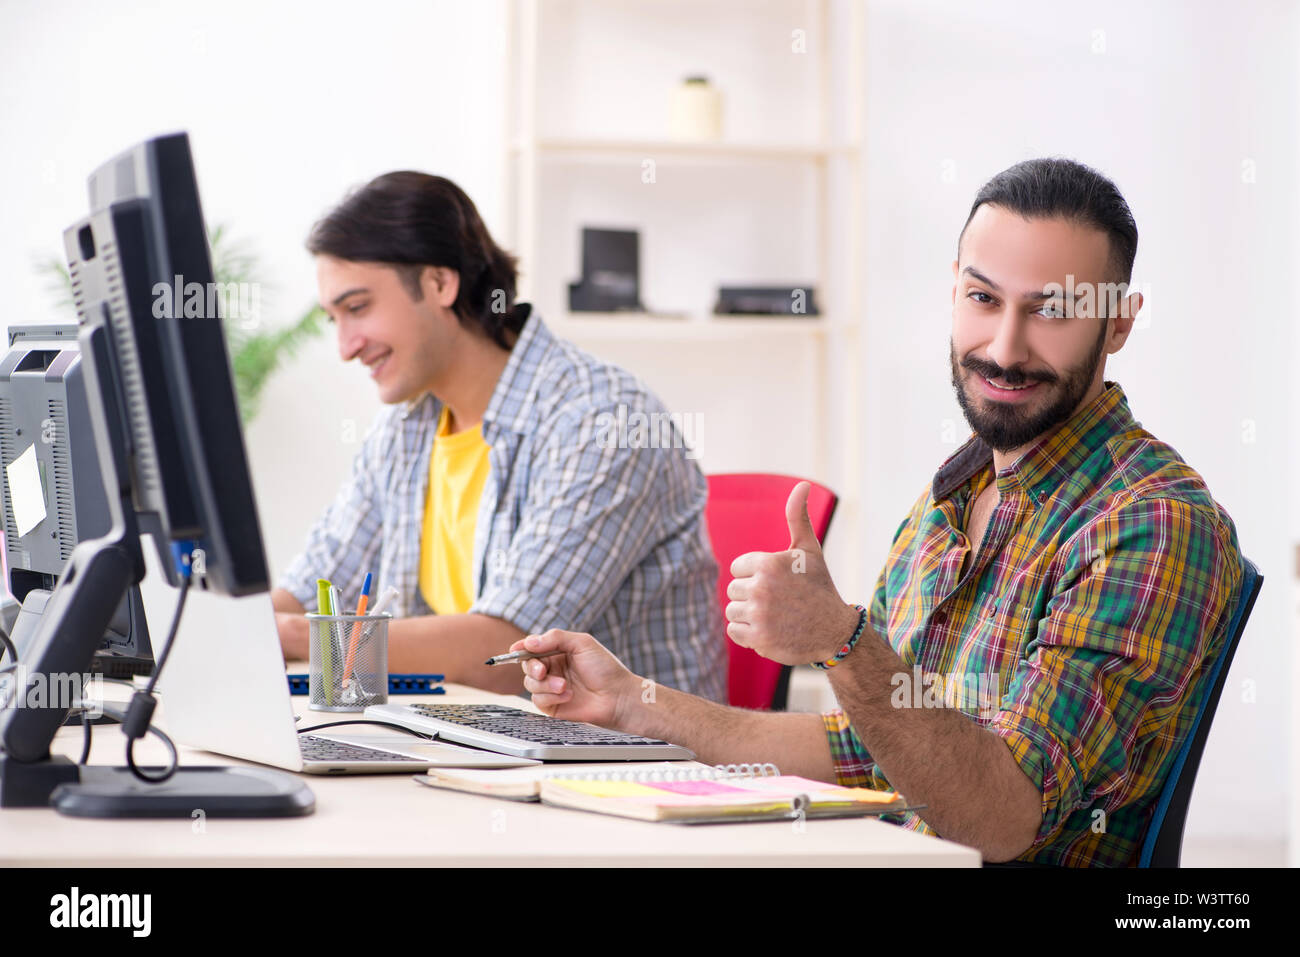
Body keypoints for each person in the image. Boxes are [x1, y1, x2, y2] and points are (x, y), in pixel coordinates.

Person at [508, 158, 1244, 866]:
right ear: (954, 291)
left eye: (1050, 311)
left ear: (1117, 323)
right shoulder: (952, 496)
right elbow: (871, 750)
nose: (1005, 347)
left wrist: (842, 639)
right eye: (984, 299)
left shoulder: (1151, 523)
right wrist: (632, 704)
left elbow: (1002, 817)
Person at [273, 171, 725, 700]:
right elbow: (309, 592)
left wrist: (298, 636)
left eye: (358, 308)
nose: (346, 347)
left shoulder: (603, 420)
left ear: (440, 283)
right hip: (468, 744)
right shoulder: (405, 428)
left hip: (626, 768)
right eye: (334, 319)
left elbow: (508, 653)